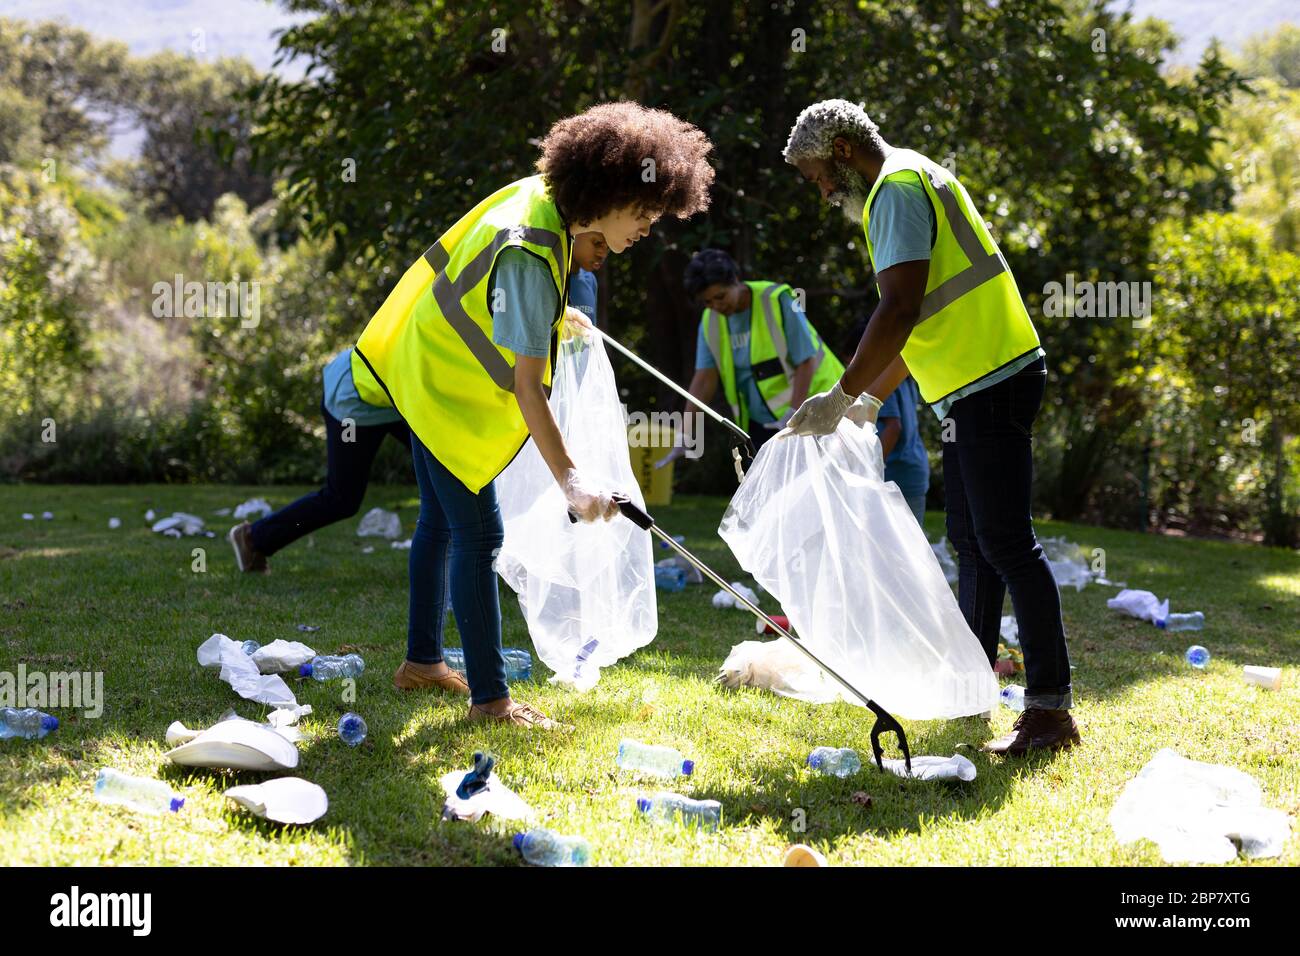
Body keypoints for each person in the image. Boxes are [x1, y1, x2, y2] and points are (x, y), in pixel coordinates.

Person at [351, 102, 714, 730]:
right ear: (609, 195)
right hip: (440, 384)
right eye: (645, 215)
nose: (647, 230)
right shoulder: (531, 250)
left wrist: (552, 316)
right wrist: (571, 479)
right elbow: (528, 386)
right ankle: (491, 701)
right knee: (479, 535)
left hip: (425, 366)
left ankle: (422, 664)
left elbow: (507, 304)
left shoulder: (543, 201)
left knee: (439, 522)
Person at [782, 99, 1078, 756]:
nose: (825, 194)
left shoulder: (893, 191)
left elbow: (899, 308)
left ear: (839, 152)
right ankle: (972, 686)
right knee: (973, 541)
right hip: (980, 383)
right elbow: (915, 325)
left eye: (819, 178)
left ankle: (1050, 714)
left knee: (1006, 543)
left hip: (990, 380)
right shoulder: (915, 174)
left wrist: (842, 393)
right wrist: (865, 403)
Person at [227, 347, 409, 573]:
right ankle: (254, 538)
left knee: (445, 465)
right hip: (353, 397)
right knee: (341, 498)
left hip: (387, 396)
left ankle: (455, 553)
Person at [665, 249, 844, 462]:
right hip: (762, 424)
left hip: (817, 409)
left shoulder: (777, 298)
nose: (716, 306)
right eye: (707, 302)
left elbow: (806, 360)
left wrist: (794, 416)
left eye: (720, 296)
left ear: (735, 280)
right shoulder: (710, 322)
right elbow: (704, 379)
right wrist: (685, 433)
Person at [876, 374, 929, 527]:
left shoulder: (883, 377)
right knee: (911, 544)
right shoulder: (903, 377)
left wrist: (872, 470)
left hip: (895, 473)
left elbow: (893, 427)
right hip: (914, 468)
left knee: (887, 546)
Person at [567, 231, 606, 326]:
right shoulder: (549, 275)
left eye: (608, 248)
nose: (603, 254)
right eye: (597, 243)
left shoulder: (590, 280)